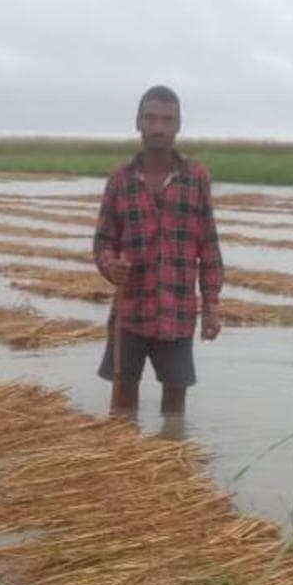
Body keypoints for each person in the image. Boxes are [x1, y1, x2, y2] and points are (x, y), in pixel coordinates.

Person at [93, 85, 223, 416]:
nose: (158, 127)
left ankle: (170, 457)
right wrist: (110, 266)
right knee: (123, 400)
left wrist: (211, 306)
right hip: (130, 313)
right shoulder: (120, 180)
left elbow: (208, 246)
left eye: (167, 120)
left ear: (178, 125)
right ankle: (125, 462)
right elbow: (103, 241)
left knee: (174, 406)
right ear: (138, 123)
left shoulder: (195, 178)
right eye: (150, 118)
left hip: (176, 314)